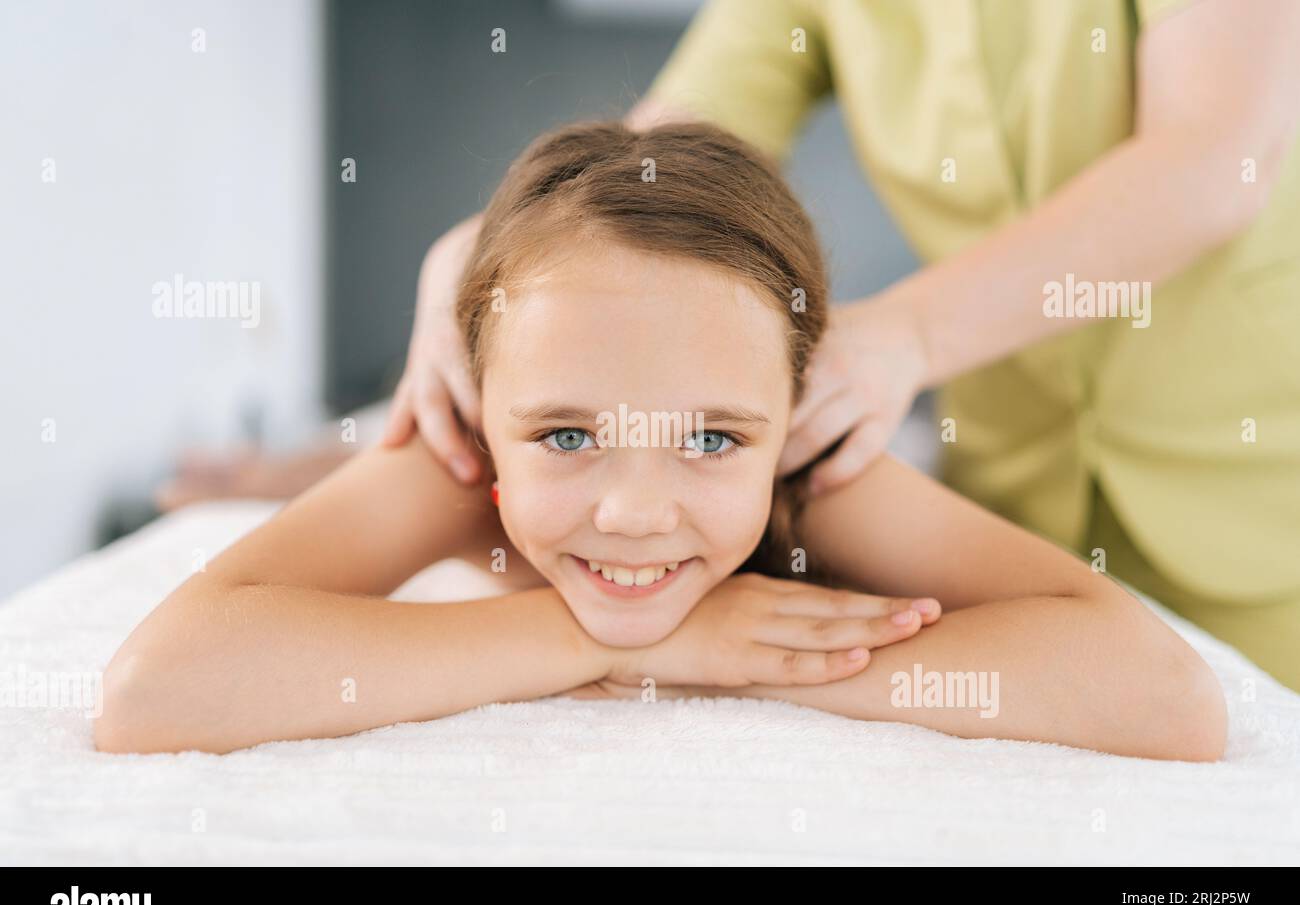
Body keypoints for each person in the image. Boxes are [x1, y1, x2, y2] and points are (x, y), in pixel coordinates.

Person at [98, 121, 1225, 760]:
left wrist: (731, 644)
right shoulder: (460, 468)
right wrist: (640, 643)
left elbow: (1163, 696)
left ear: (791, 412)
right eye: (571, 432)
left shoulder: (808, 476)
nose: (635, 509)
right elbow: (157, 688)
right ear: (482, 409)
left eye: (712, 440)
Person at [379, 0, 1300, 691]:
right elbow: (665, 158)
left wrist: (910, 331)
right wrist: (480, 251)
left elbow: (1213, 163)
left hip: (1253, 467)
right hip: (1018, 469)